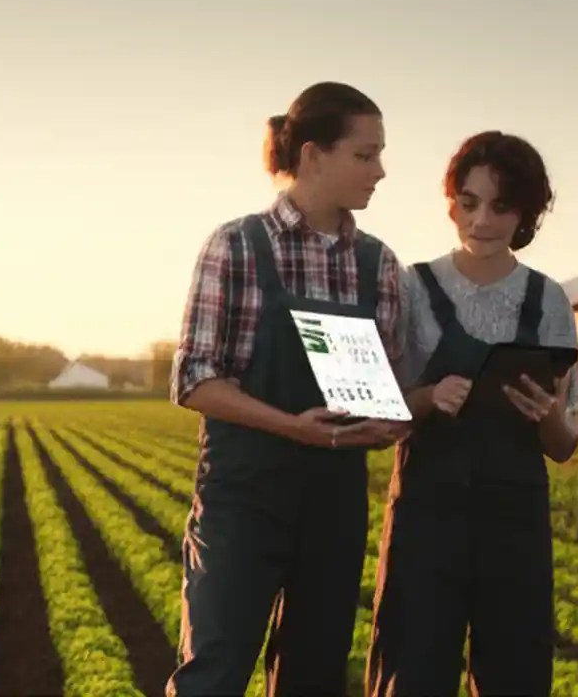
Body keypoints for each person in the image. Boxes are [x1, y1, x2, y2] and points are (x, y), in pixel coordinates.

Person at [165, 81, 410, 697]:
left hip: (334, 500)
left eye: (380, 154)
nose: (379, 171)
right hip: (243, 497)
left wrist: (386, 422)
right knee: (214, 672)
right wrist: (294, 427)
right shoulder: (237, 246)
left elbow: (387, 388)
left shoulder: (378, 264)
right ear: (311, 155)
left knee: (314, 675)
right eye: (365, 154)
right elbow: (194, 379)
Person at [365, 130, 578, 696]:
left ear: (526, 214)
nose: (480, 220)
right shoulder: (412, 288)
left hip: (514, 520)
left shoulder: (549, 300)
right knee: (410, 673)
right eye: (468, 202)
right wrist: (428, 397)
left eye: (500, 206)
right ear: (450, 201)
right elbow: (379, 414)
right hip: (425, 516)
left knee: (516, 673)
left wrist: (548, 416)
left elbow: (564, 444)